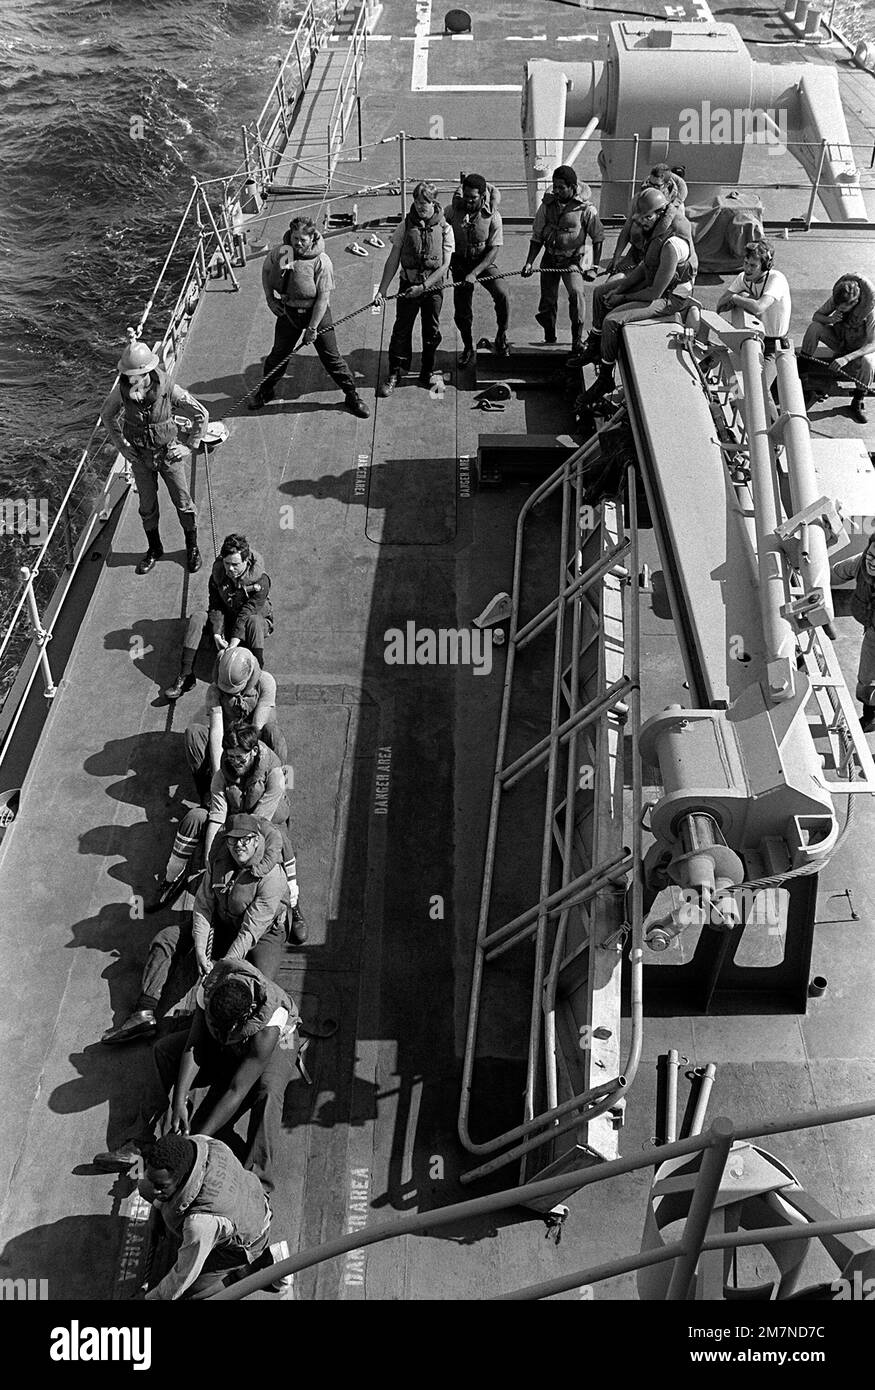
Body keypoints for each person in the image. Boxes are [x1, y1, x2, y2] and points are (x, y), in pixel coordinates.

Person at [96, 956, 303, 1201]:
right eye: (212, 1025)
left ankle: (258, 1183)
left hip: (283, 1042)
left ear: (240, 1023)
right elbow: (194, 1046)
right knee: (163, 1050)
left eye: (219, 1029)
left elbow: (237, 1090)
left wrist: (196, 1142)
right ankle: (141, 1141)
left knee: (268, 1092)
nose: (213, 1030)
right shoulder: (211, 990)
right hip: (232, 1039)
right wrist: (179, 1102)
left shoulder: (269, 1028)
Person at [101, 814, 293, 1046]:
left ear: (257, 840)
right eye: (233, 840)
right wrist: (201, 951)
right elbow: (203, 904)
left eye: (246, 839)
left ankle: (214, 1032)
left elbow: (251, 930)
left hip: (264, 933)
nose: (238, 846)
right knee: (166, 939)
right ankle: (144, 1012)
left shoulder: (272, 877)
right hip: (224, 919)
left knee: (258, 984)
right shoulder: (219, 859)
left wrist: (224, 965)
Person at [151, 725, 305, 928]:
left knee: (281, 841)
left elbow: (259, 821)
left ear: (254, 751)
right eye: (231, 757)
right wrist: (210, 858)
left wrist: (237, 849)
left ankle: (293, 901)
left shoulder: (274, 774)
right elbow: (217, 815)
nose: (235, 763)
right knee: (194, 817)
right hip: (234, 820)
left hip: (265, 821)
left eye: (240, 758)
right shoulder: (221, 776)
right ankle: (172, 877)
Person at [100, 330, 209, 575]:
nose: (131, 380)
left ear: (147, 371)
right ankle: (154, 548)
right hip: (140, 457)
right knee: (147, 506)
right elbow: (107, 415)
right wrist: (122, 446)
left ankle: (191, 547)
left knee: (183, 503)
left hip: (168, 454)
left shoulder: (167, 387)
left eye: (135, 375)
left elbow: (201, 413)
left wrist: (190, 445)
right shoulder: (122, 391)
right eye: (128, 375)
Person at [136, 1134, 292, 1300]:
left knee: (187, 1295)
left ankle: (252, 1267)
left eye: (162, 1186)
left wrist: (150, 1298)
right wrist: (158, 1210)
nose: (155, 1191)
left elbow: (183, 1276)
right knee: (144, 1187)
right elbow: (153, 1187)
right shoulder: (205, 1143)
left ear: (182, 1177)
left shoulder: (200, 1224)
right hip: (251, 1199)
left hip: (250, 1239)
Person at [581, 186, 697, 396]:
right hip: (653, 281)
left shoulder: (672, 243)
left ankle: (605, 376)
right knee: (600, 293)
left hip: (670, 296)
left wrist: (622, 296)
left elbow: (655, 293)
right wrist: (620, 287)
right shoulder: (656, 230)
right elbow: (645, 266)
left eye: (646, 217)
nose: (641, 222)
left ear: (660, 213)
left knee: (612, 322)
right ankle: (595, 348)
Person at [249, 215, 369, 418]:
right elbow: (268, 270)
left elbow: (323, 299)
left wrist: (312, 329)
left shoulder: (322, 262)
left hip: (316, 313)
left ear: (312, 238)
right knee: (278, 355)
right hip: (289, 312)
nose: (298, 243)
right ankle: (266, 390)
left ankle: (351, 395)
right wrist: (270, 299)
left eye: (302, 240)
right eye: (295, 238)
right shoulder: (284, 253)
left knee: (332, 358)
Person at [165, 533, 274, 701]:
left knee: (255, 621)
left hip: (251, 623)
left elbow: (247, 613)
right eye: (227, 563)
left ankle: (256, 675)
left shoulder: (261, 581)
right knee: (197, 617)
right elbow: (215, 605)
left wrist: (233, 643)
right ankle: (186, 675)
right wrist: (217, 632)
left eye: (235, 565)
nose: (230, 569)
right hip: (228, 620)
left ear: (246, 562)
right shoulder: (218, 575)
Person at [374, 181, 454, 396]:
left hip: (433, 289)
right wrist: (382, 290)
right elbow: (393, 260)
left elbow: (445, 264)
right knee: (401, 329)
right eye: (417, 202)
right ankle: (395, 371)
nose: (420, 207)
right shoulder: (404, 226)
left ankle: (427, 371)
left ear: (434, 202)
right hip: (408, 285)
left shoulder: (446, 229)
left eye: (425, 203)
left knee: (431, 331)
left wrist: (424, 286)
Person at [520, 165, 604, 357]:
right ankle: (549, 336)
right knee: (547, 301)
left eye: (561, 187)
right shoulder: (547, 205)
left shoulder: (587, 209)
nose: (556, 191)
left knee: (576, 295)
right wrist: (529, 262)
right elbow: (537, 236)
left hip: (573, 260)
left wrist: (593, 267)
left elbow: (597, 238)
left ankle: (577, 340)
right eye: (554, 187)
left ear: (572, 187)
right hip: (550, 257)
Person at [187, 647, 288, 802]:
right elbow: (217, 731)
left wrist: (251, 777)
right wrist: (217, 779)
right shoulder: (214, 691)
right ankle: (206, 793)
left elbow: (256, 731)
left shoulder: (265, 682)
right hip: (229, 741)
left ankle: (276, 789)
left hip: (254, 742)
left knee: (273, 732)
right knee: (193, 733)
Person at [444, 173, 509, 365]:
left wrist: (475, 273)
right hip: (460, 264)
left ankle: (501, 335)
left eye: (473, 198)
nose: (468, 201)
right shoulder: (451, 212)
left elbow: (494, 249)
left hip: (483, 263)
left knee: (503, 292)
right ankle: (467, 346)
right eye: (466, 196)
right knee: (462, 310)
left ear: (482, 196)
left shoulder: (493, 216)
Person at [800, 273, 875, 424]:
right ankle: (801, 375)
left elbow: (872, 344)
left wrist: (846, 358)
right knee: (815, 328)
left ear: (854, 302)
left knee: (868, 361)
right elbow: (817, 316)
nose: (839, 308)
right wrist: (830, 319)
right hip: (840, 340)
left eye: (843, 308)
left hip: (858, 350)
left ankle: (858, 400)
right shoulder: (837, 299)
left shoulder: (870, 312)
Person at [716, 239, 791, 359]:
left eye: (753, 266)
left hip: (773, 344)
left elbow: (758, 307)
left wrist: (736, 298)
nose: (747, 269)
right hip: (752, 338)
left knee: (760, 378)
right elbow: (720, 304)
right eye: (745, 263)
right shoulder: (743, 277)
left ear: (766, 266)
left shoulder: (777, 279)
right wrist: (742, 298)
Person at [609, 165, 689, 275]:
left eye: (657, 186)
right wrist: (616, 257)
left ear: (667, 185)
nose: (652, 188)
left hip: (662, 255)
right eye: (650, 184)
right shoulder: (639, 199)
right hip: (639, 250)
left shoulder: (677, 210)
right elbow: (627, 228)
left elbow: (678, 242)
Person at [831, 535, 875, 732]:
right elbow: (834, 574)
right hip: (873, 630)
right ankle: (871, 717)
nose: (872, 563)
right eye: (871, 556)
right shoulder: (860, 562)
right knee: (866, 678)